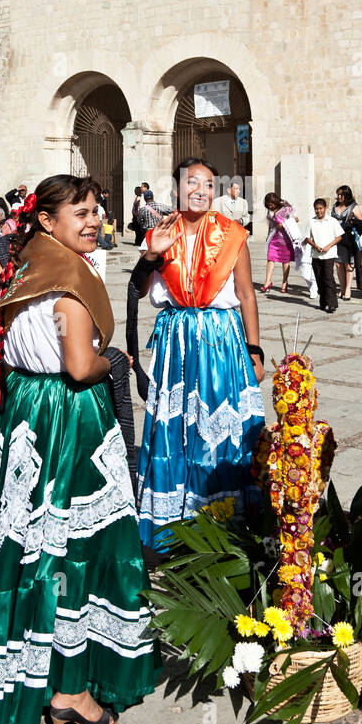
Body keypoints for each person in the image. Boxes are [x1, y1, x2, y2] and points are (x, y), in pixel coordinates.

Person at [0, 175, 158, 724]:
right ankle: (69, 691)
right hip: (68, 417)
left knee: (19, 541)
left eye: (96, 211)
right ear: (47, 222)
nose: (93, 221)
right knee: (75, 547)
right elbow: (82, 366)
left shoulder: (22, 266)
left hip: (23, 414)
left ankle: (9, 677)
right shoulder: (68, 283)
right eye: (79, 213)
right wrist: (116, 356)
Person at [133, 158, 266, 549]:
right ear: (176, 189)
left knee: (219, 425)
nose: (200, 190)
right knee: (175, 427)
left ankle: (225, 523)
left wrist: (254, 349)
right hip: (176, 341)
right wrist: (151, 256)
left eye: (208, 184)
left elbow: (245, 295)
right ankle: (172, 526)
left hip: (220, 340)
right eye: (192, 183)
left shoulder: (232, 234)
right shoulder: (159, 234)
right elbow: (139, 290)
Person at [307, 198, 344, 313]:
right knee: (319, 278)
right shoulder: (312, 221)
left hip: (329, 254)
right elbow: (307, 238)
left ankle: (332, 303)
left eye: (320, 208)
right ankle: (323, 301)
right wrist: (315, 245)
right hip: (316, 254)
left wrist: (328, 246)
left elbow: (339, 237)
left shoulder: (332, 221)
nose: (318, 211)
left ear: (325, 208)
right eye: (316, 209)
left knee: (328, 277)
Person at [331, 185, 362, 298]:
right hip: (337, 238)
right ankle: (341, 287)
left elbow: (361, 224)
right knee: (338, 264)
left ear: (347, 195)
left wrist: (353, 221)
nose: (339, 196)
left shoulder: (354, 207)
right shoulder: (335, 206)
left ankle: (348, 289)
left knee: (348, 264)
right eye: (338, 194)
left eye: (341, 194)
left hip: (349, 239)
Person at [262, 192, 298, 293]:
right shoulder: (269, 210)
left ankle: (284, 282)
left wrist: (284, 224)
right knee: (270, 259)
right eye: (268, 203)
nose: (270, 205)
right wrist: (268, 236)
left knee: (285, 261)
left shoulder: (286, 208)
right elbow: (271, 224)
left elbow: (296, 219)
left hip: (285, 238)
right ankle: (268, 281)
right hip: (274, 237)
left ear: (276, 201)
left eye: (271, 203)